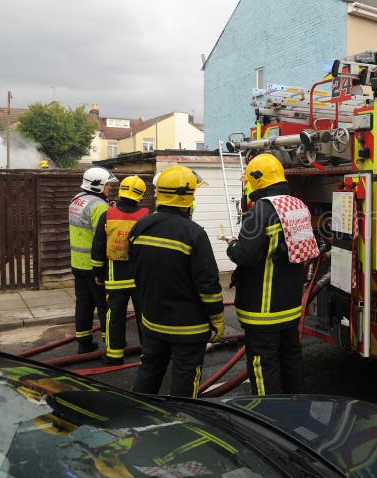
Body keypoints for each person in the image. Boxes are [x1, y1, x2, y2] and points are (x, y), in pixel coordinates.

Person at [227, 153, 318, 395]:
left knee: (263, 365)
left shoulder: (261, 211)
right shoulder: (298, 206)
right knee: (291, 359)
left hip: (262, 310)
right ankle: (297, 410)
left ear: (256, 180)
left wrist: (232, 244)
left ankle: (269, 417)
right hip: (289, 306)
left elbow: (244, 255)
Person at [129, 166, 224, 397]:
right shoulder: (194, 234)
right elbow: (208, 285)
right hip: (189, 328)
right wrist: (218, 318)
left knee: (149, 372)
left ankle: (137, 415)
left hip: (152, 322)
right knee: (185, 380)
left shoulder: (140, 227)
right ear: (187, 197)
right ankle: (183, 424)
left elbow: (137, 273)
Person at [91, 175, 149, 365]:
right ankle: (148, 355)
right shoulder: (146, 216)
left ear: (121, 190)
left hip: (115, 277)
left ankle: (114, 356)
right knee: (145, 317)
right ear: (141, 195)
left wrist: (98, 273)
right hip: (141, 279)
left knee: (114, 317)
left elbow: (98, 247)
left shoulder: (107, 215)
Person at [69, 166, 117, 354]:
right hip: (94, 266)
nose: (109, 189)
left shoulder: (76, 200)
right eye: (107, 185)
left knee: (83, 304)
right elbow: (103, 237)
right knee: (104, 305)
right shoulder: (98, 206)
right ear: (97, 186)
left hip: (77, 264)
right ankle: (110, 343)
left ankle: (84, 342)